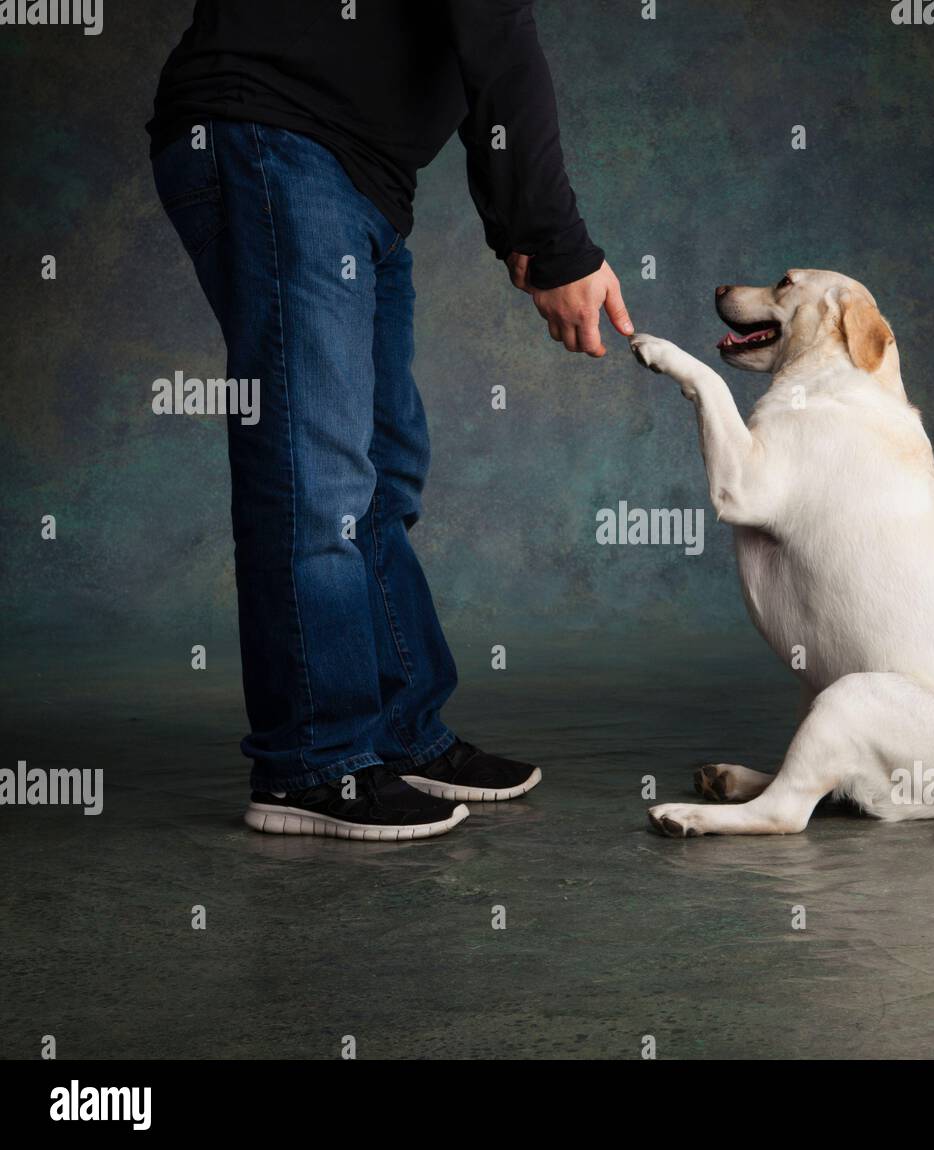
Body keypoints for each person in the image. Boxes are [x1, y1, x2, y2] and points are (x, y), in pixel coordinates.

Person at [147, 1, 632, 841]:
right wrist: (553, 243)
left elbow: (479, 54)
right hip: (277, 134)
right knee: (316, 469)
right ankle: (314, 763)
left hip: (353, 174)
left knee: (383, 463)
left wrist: (525, 228)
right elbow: (499, 37)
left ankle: (400, 730)